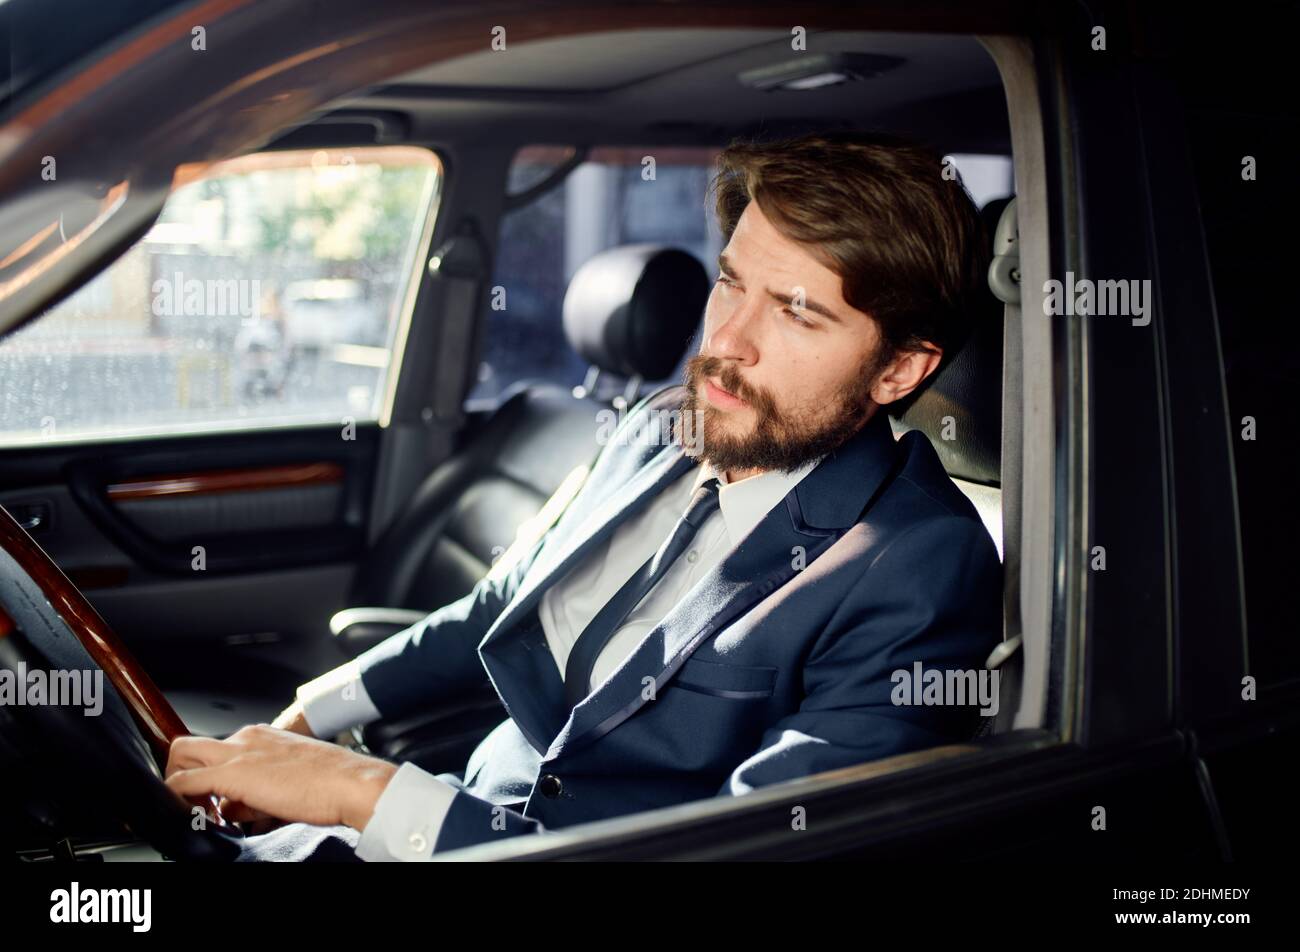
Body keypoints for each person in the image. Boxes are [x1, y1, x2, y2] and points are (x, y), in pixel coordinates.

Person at [165, 131, 1003, 860]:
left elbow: (744, 850)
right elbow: (506, 599)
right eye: (731, 281)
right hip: (456, 816)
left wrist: (364, 794)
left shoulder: (920, 563)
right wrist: (308, 719)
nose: (727, 342)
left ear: (900, 369)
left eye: (796, 312)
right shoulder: (660, 428)